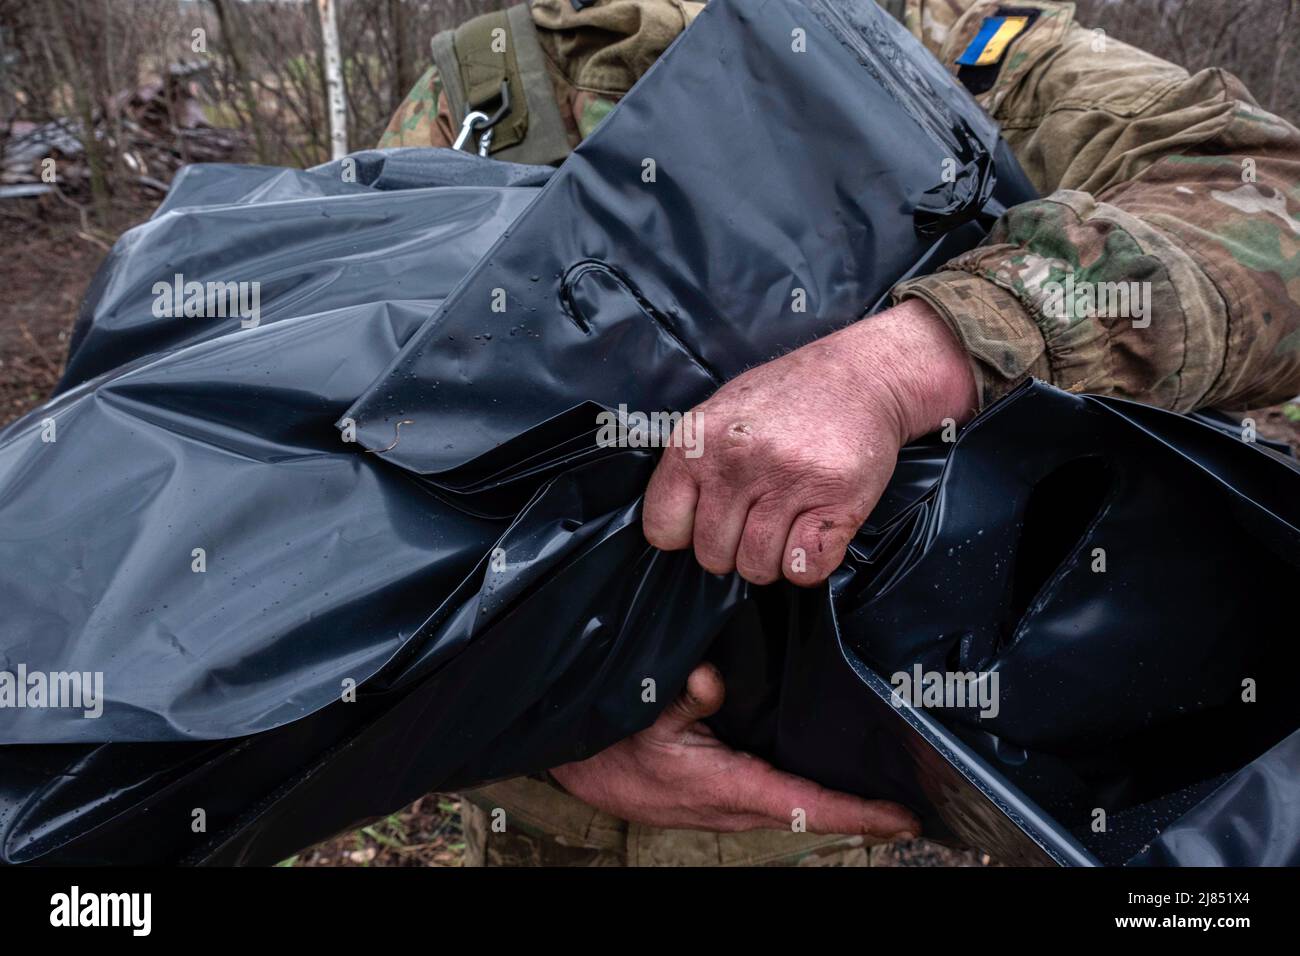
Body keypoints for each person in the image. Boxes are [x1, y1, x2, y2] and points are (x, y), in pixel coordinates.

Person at [381, 0, 1300, 866]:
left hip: (841, 804)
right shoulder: (496, 89)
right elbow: (351, 501)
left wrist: (918, 356)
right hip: (535, 824)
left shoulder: (979, 61)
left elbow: (1273, 205)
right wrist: (540, 735)